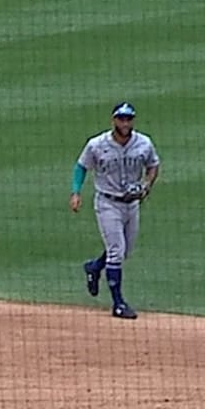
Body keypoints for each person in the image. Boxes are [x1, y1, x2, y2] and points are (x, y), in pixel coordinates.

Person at [70, 102, 161, 320]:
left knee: (125, 251)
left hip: (132, 204)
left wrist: (147, 185)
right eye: (121, 118)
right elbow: (81, 166)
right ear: (114, 120)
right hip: (107, 203)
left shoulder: (144, 143)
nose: (125, 122)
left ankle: (93, 267)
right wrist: (76, 192)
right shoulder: (97, 144)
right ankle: (118, 303)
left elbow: (154, 165)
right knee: (116, 251)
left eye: (129, 118)